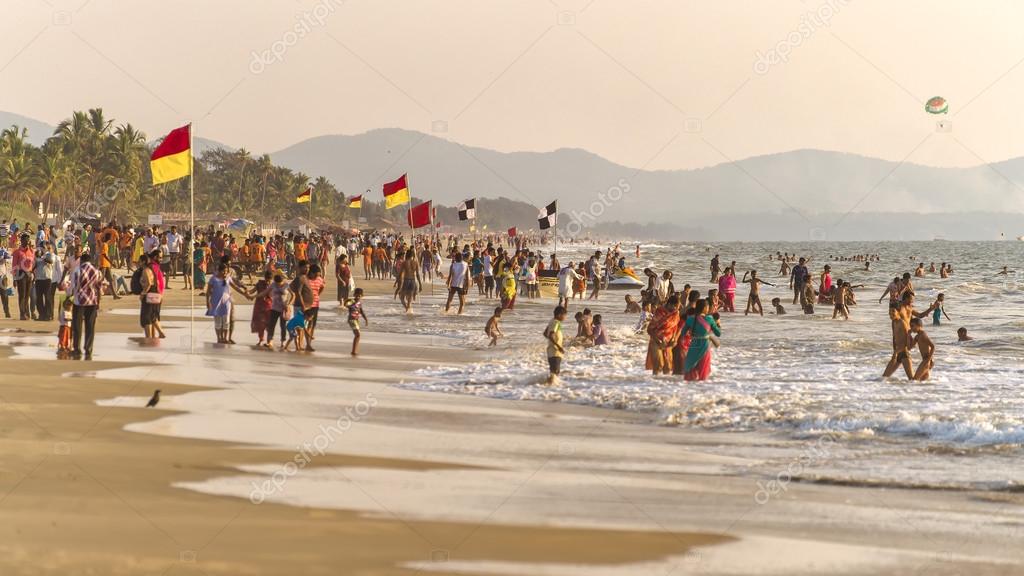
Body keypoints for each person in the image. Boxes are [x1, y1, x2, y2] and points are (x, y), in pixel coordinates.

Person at [206, 264, 251, 344]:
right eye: (223, 271)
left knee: (226, 321)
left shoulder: (228, 278)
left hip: (226, 302)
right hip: (216, 302)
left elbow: (236, 288)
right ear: (219, 271)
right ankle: (219, 338)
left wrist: (245, 294)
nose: (225, 273)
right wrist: (208, 302)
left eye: (226, 271)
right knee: (218, 322)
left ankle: (225, 338)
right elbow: (208, 292)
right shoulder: (213, 279)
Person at [69, 253, 103, 359]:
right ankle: (88, 348)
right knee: (90, 326)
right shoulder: (97, 272)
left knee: (77, 326)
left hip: (79, 302)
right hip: (92, 301)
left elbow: (73, 287)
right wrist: (98, 303)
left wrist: (69, 297)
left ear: (82, 261)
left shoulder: (78, 271)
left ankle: (77, 348)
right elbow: (99, 289)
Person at [680, 299, 721, 381]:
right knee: (703, 374)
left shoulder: (690, 319)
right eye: (708, 307)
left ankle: (688, 388)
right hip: (705, 346)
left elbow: (683, 333)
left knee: (691, 369)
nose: (708, 309)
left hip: (694, 345)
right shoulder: (710, 319)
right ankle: (701, 387)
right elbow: (718, 333)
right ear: (704, 308)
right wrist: (717, 324)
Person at [544, 306, 567, 385]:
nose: (565, 317)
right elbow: (550, 335)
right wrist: (558, 346)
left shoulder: (551, 321)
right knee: (556, 371)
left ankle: (549, 386)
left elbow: (545, 333)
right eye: (564, 315)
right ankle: (552, 386)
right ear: (559, 315)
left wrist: (553, 341)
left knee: (553, 372)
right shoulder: (556, 322)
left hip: (551, 351)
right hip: (555, 351)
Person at [251, 270, 274, 347]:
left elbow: (273, 296)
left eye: (269, 279)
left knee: (269, 324)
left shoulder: (273, 285)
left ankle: (270, 341)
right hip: (259, 306)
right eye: (267, 279)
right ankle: (261, 339)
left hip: (269, 306)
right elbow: (252, 291)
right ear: (265, 277)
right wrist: (246, 293)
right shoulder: (259, 283)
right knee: (260, 324)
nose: (268, 281)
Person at [346, 287, 368, 356]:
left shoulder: (359, 303)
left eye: (359, 296)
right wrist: (347, 301)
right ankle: (354, 351)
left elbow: (362, 311)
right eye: (357, 295)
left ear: (362, 296)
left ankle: (354, 350)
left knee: (358, 335)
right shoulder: (352, 301)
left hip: (356, 320)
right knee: (357, 334)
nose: (358, 297)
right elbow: (346, 305)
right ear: (354, 295)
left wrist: (366, 319)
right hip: (351, 319)